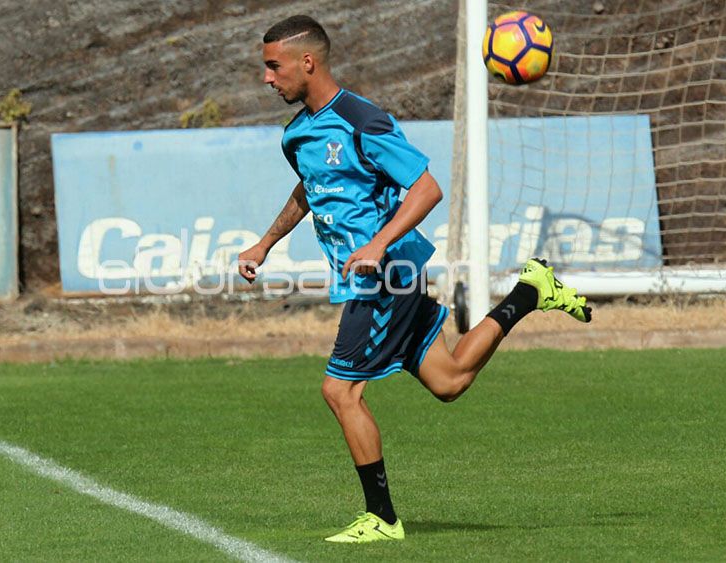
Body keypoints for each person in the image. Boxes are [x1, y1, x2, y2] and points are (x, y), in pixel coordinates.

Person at [238, 15, 591, 544]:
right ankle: (530, 291)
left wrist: (378, 244)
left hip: (387, 276)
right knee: (449, 381)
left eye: (274, 66)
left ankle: (381, 518)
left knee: (340, 391)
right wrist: (265, 243)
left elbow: (426, 188)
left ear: (307, 62)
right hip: (374, 276)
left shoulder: (361, 120)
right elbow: (310, 189)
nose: (267, 78)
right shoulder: (297, 135)